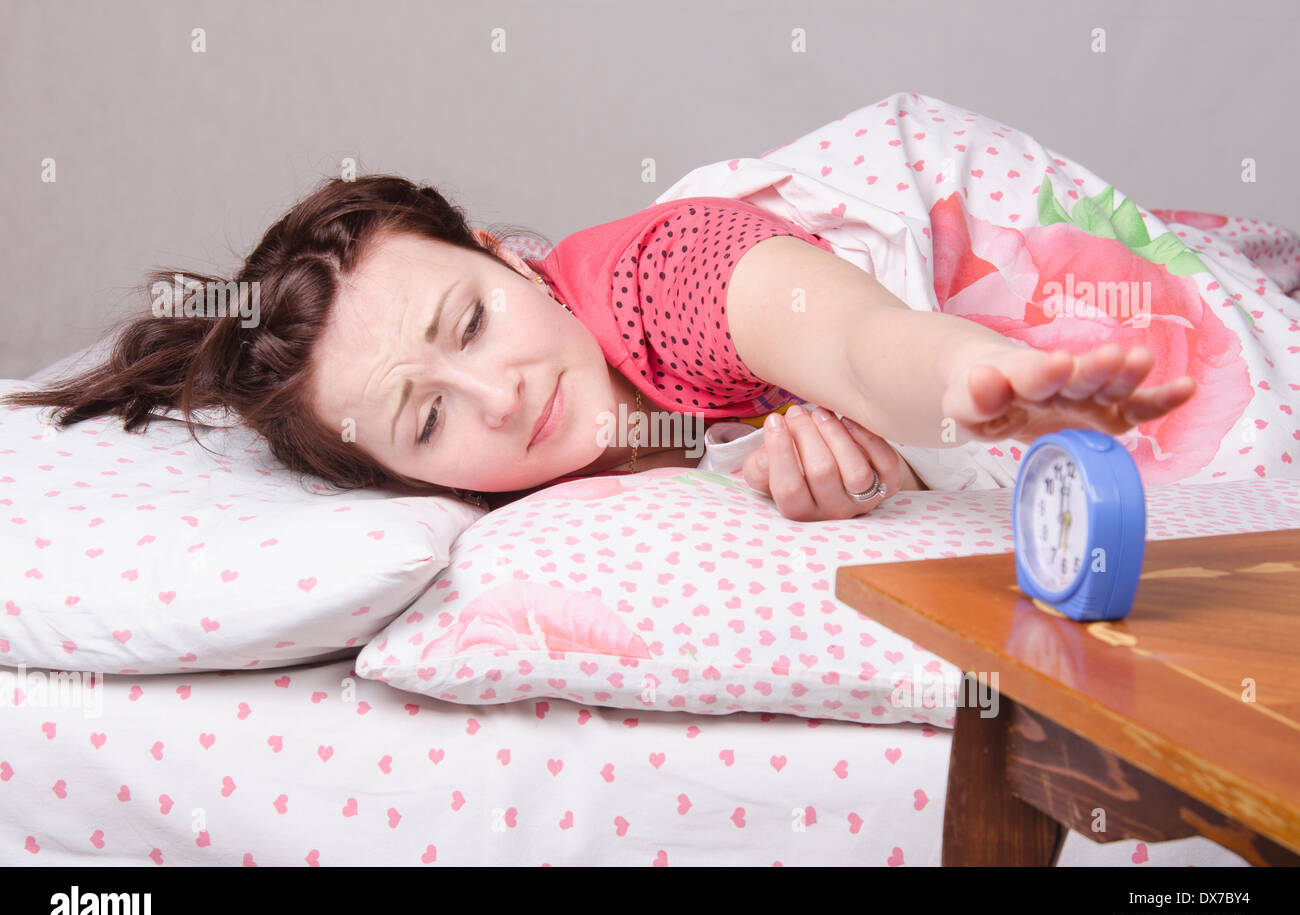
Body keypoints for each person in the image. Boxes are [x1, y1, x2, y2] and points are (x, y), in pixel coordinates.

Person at [3, 175, 1194, 522]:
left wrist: (962, 386)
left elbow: (853, 334)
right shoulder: (527, 505)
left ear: (506, 253)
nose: (499, 392)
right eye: (427, 420)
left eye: (468, 320)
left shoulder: (667, 279)